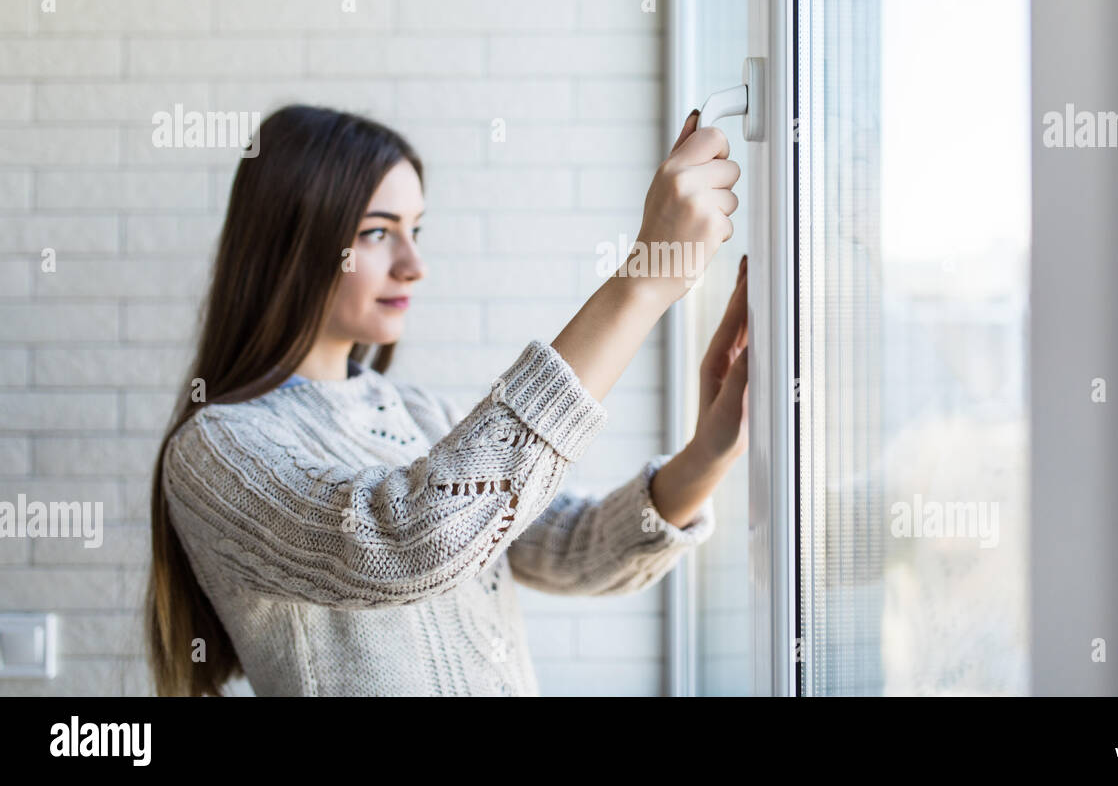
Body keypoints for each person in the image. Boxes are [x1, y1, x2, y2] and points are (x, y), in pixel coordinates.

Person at [144, 104, 749, 696]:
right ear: (289, 241)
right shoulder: (215, 451)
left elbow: (570, 546)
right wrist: (639, 288)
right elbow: (403, 542)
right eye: (377, 232)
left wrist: (710, 453)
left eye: (416, 230)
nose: (414, 265)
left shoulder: (418, 413)